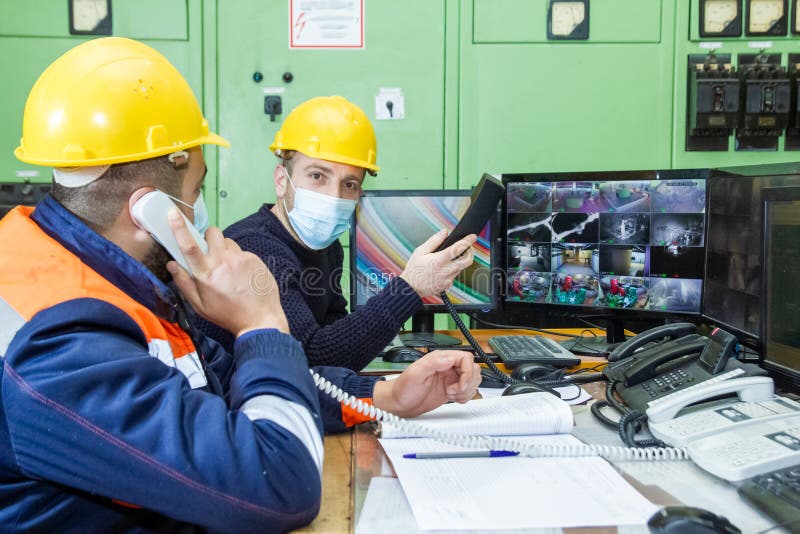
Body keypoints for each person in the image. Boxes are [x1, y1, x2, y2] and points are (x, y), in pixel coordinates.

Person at [0, 37, 480, 532]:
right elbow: (281, 488)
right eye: (198, 191)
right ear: (151, 213)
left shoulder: (116, 280)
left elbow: (226, 382)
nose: (205, 212)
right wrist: (261, 320)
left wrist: (384, 395)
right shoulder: (58, 344)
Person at [195, 96, 478, 371]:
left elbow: (334, 333)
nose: (333, 196)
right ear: (282, 181)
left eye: (349, 184)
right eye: (318, 176)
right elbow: (309, 358)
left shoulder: (325, 245)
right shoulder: (255, 247)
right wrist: (411, 287)